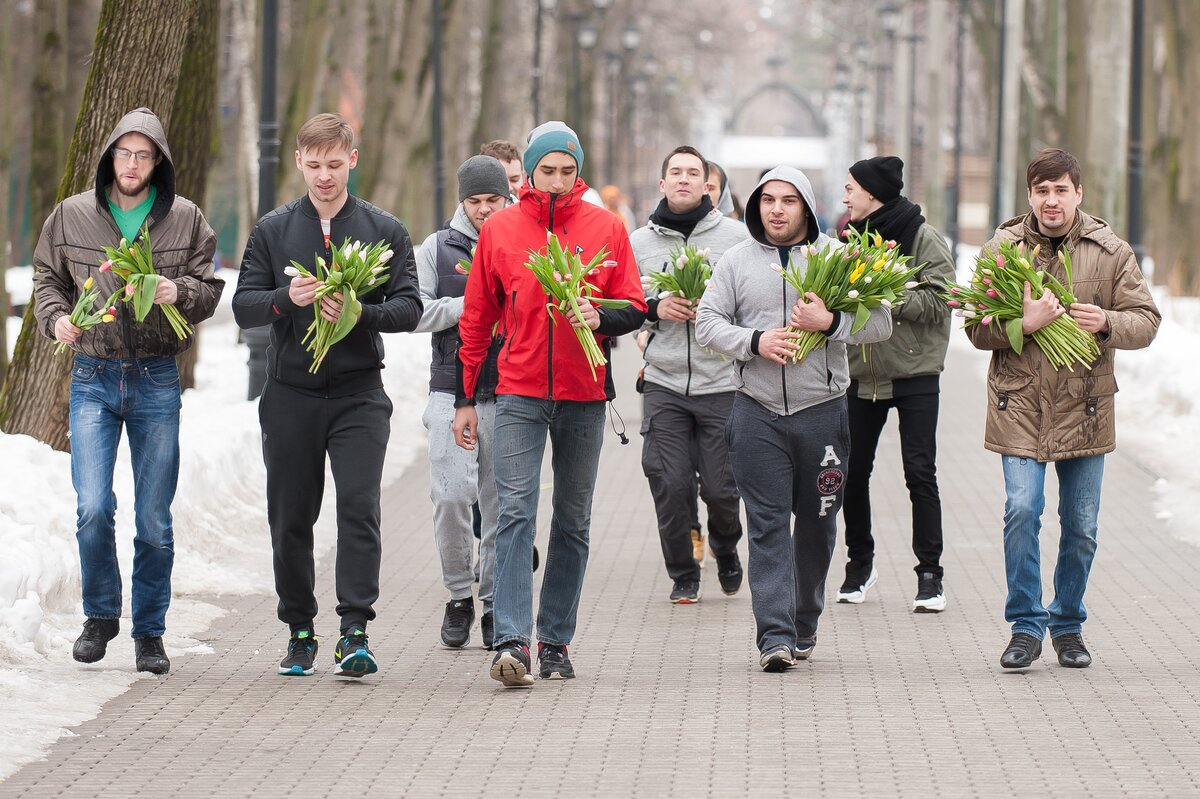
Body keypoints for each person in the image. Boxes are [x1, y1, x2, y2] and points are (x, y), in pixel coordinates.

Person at [453, 121, 646, 686]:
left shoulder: (606, 227)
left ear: (578, 171)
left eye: (567, 170)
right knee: (513, 513)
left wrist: (600, 315)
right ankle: (511, 639)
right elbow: (476, 318)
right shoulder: (504, 229)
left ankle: (555, 639)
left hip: (584, 394)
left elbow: (635, 304)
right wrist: (466, 395)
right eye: (547, 171)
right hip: (517, 391)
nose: (557, 182)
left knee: (573, 520)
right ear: (530, 172)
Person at [33, 107, 224, 675]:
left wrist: (177, 290)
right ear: (109, 157)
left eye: (144, 155)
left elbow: (210, 289)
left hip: (157, 379)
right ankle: (100, 616)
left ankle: (149, 631)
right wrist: (56, 318)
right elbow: (47, 278)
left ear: (157, 162)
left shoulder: (185, 219)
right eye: (125, 152)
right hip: (93, 375)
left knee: (153, 518)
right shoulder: (71, 216)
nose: (133, 163)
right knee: (93, 507)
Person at [232, 113, 423, 678]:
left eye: (334, 165)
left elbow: (410, 308)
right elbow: (244, 305)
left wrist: (361, 313)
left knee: (359, 506)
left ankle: (355, 630)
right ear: (298, 162)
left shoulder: (383, 230)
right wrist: (286, 299)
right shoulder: (272, 230)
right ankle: (298, 629)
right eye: (313, 165)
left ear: (352, 161)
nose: (323, 176)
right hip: (290, 393)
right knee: (291, 514)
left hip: (359, 394)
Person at [968, 148, 1159, 670]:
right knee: (1021, 512)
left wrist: (1106, 323)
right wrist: (1023, 325)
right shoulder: (1003, 250)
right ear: (1029, 195)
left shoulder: (1110, 251)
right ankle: (1026, 625)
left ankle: (1068, 621)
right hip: (1020, 406)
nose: (1051, 200)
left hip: (1086, 406)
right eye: (1041, 190)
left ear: (1079, 193)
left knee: (1081, 526)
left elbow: (1146, 321)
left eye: (1061, 190)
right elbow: (976, 330)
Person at [695, 166, 891, 672]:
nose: (776, 209)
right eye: (767, 200)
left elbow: (883, 323)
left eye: (788, 200)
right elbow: (707, 323)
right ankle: (774, 636)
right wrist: (755, 342)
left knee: (818, 525)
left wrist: (830, 323)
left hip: (822, 413)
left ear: (806, 206)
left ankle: (805, 620)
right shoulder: (737, 261)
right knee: (766, 525)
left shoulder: (838, 258)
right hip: (755, 411)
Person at [835, 156, 956, 612]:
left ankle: (930, 576)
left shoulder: (921, 237)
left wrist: (884, 292)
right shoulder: (848, 239)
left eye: (851, 188)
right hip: (861, 372)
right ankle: (859, 564)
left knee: (920, 474)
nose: (845, 196)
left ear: (872, 192)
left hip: (914, 372)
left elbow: (944, 297)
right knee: (851, 474)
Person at [630, 145, 749, 604]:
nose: (683, 179)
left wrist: (717, 316)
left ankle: (725, 544)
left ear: (708, 185)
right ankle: (683, 572)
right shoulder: (639, 243)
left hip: (722, 385)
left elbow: (754, 302)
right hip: (663, 382)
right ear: (662, 184)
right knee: (669, 481)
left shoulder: (737, 238)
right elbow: (621, 306)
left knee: (722, 488)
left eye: (693, 173)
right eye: (675, 172)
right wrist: (655, 309)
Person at [414, 155, 509, 649]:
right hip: (450, 390)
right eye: (474, 202)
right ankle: (458, 596)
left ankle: (494, 604)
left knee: (500, 505)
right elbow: (416, 309)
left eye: (493, 200)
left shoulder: (520, 237)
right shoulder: (437, 246)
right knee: (451, 496)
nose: (484, 211)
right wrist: (473, 306)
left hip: (510, 389)